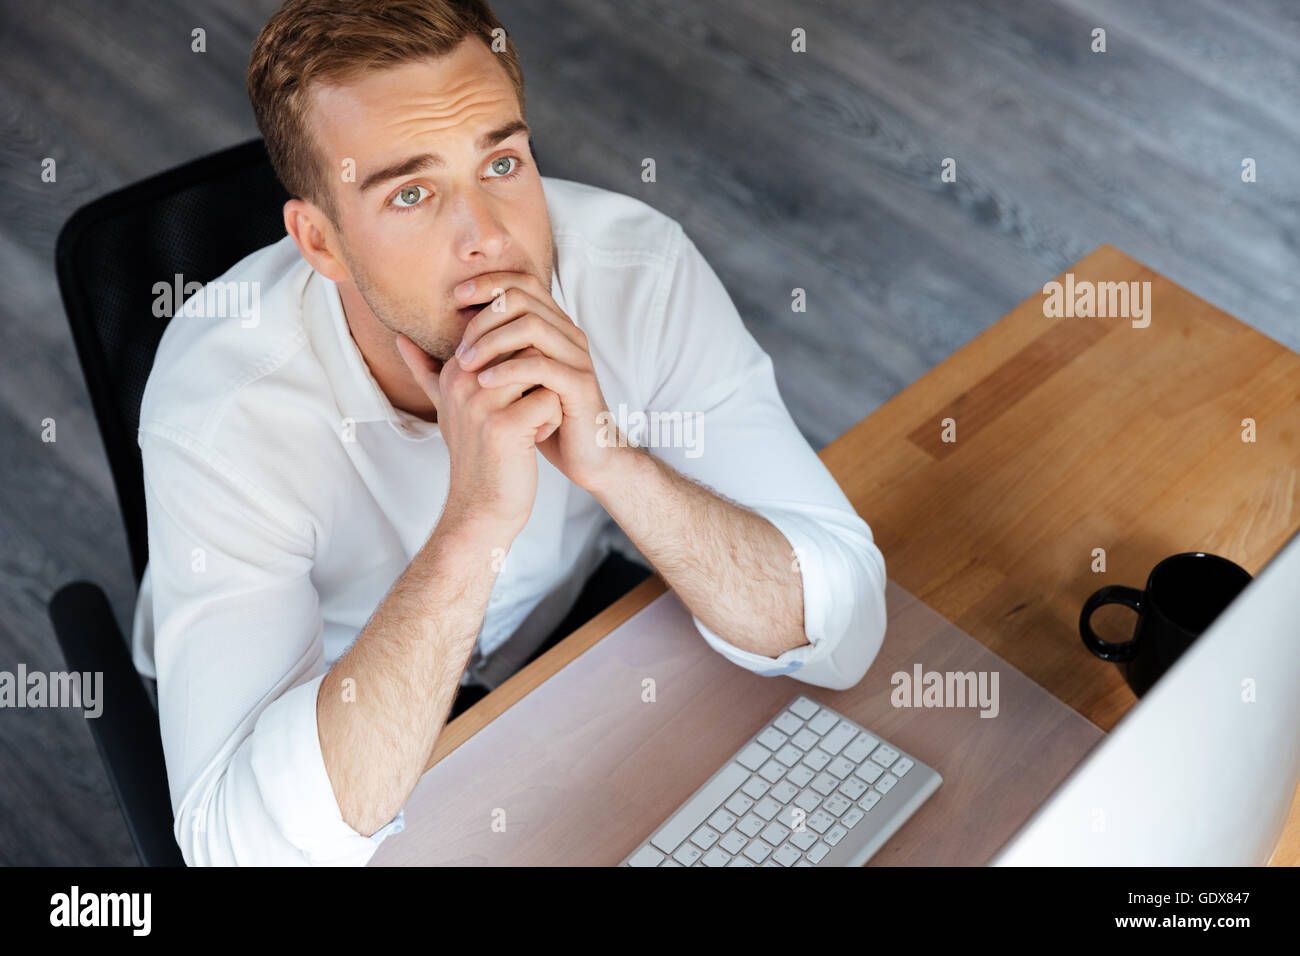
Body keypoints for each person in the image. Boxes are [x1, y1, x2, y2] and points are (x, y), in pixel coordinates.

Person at [130, 0, 888, 865]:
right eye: (411, 193)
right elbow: (240, 851)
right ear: (321, 241)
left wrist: (617, 466)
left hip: (558, 656)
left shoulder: (640, 273)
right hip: (338, 713)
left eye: (501, 161)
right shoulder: (223, 409)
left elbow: (848, 628)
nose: (488, 238)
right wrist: (474, 523)